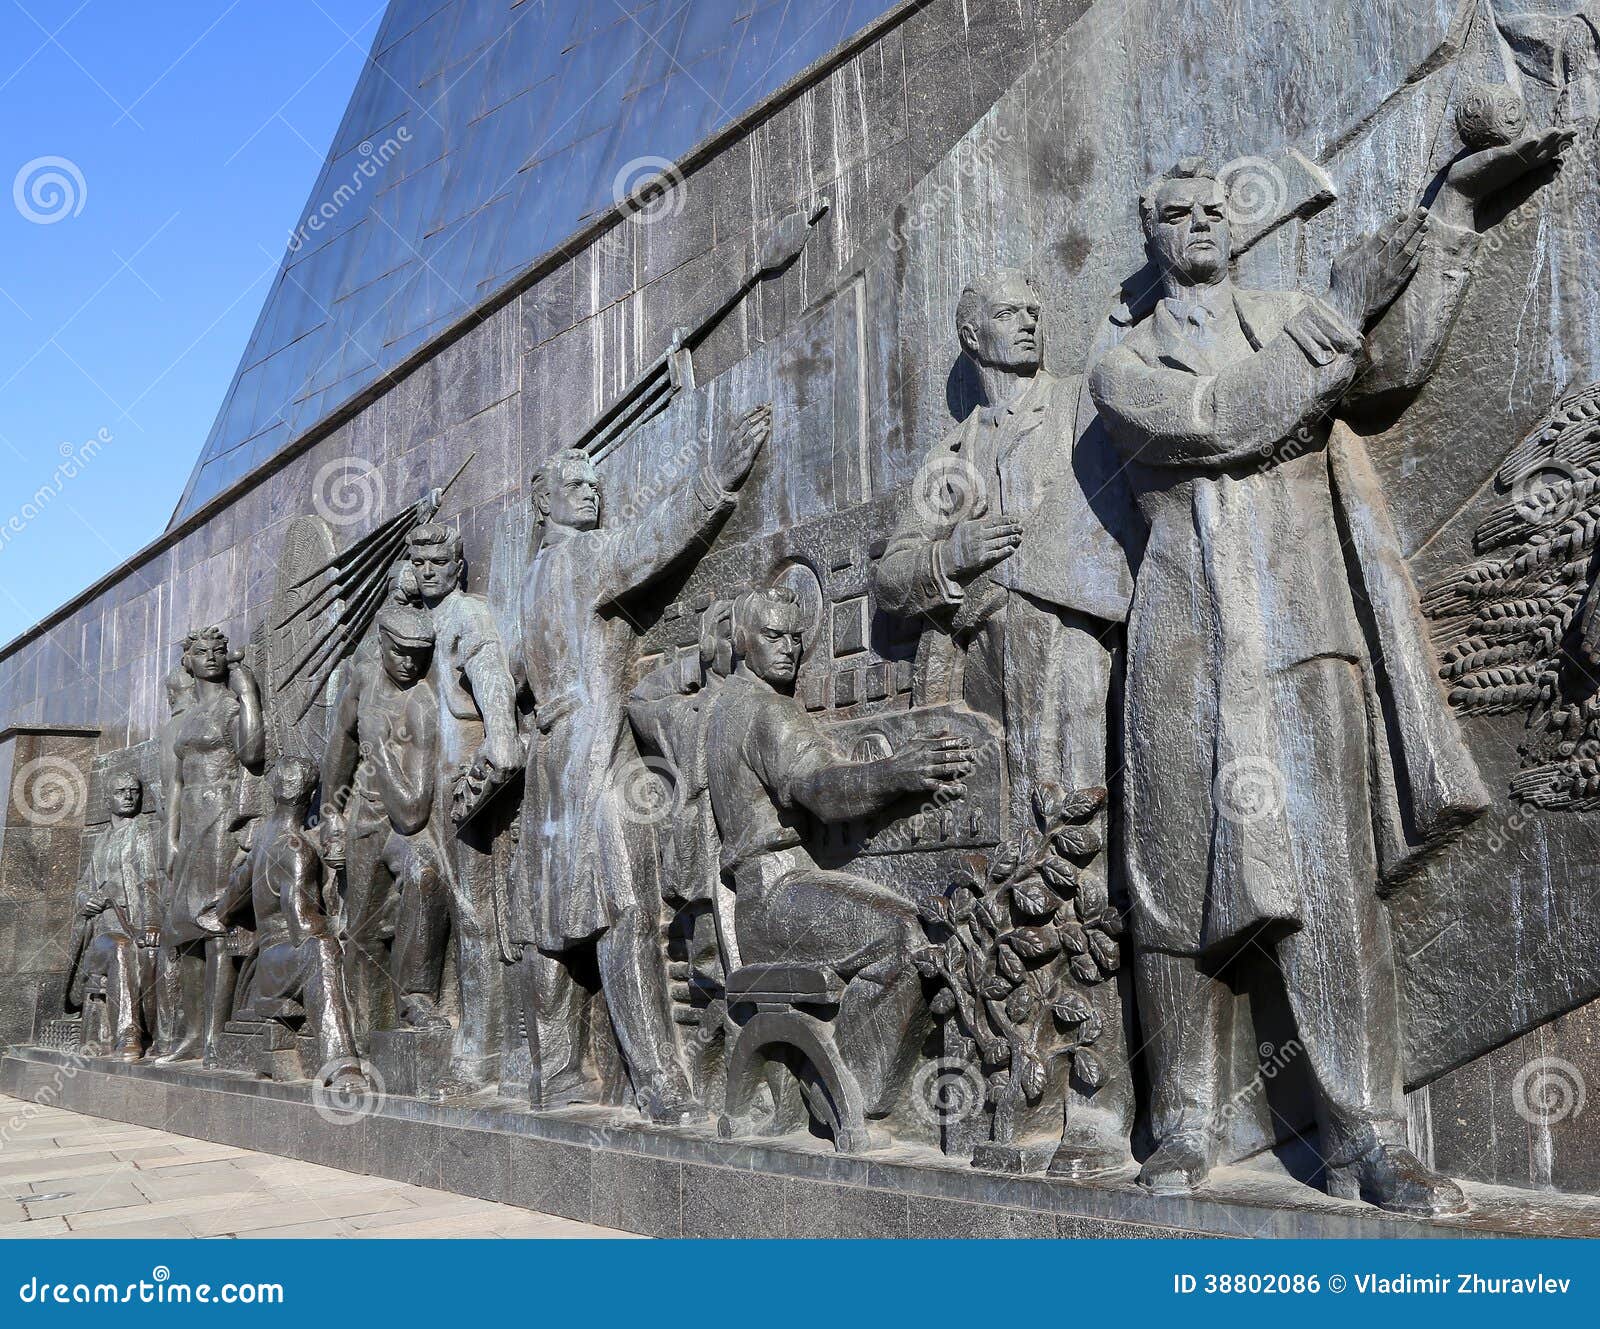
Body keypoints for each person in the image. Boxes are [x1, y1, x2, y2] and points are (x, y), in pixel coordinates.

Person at [1088, 132, 1569, 1214]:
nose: (1202, 221)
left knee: (1330, 891)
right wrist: (1338, 305)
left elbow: (1388, 371)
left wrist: (1448, 214)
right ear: (1150, 237)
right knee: (1174, 886)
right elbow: (1222, 421)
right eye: (1178, 210)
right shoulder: (1124, 367)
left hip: (1306, 630)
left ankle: (1366, 1136)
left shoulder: (1285, 320)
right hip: (1186, 650)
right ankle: (1181, 1126)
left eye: (1216, 206)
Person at [874, 266, 1137, 1173]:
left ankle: (1099, 1109)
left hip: (1065, 643)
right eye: (1009, 310)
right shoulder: (950, 458)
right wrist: (954, 549)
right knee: (1005, 873)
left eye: (1037, 306)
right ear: (971, 331)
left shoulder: (1075, 403)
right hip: (985, 660)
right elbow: (891, 579)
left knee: (1078, 852)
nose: (1030, 318)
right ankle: (1020, 1104)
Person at [513, 406, 768, 1122]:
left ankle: (557, 1071)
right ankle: (657, 1077)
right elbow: (651, 544)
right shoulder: (577, 560)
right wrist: (715, 479)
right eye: (574, 482)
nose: (590, 491)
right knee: (623, 909)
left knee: (555, 922)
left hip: (555, 767)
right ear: (543, 499)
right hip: (592, 762)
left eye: (596, 481)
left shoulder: (530, 582)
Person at [702, 587, 973, 1115]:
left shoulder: (724, 706)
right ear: (739, 639)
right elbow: (820, 789)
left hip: (765, 896)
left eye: (796, 638)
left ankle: (848, 1080)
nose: (788, 649)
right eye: (772, 636)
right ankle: (850, 1091)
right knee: (901, 934)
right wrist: (898, 771)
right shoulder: (766, 712)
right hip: (775, 896)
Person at [219, 757, 370, 1092]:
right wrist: (348, 921)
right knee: (322, 949)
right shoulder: (297, 848)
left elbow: (231, 898)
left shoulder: (261, 837)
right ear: (311, 793)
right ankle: (342, 1064)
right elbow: (305, 927)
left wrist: (218, 914)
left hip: (267, 961)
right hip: (281, 960)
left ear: (273, 789)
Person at [154, 626, 264, 1064]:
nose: (212, 657)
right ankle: (193, 1034)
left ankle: (217, 1036)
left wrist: (249, 694)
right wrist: (170, 837)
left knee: (216, 922)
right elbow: (174, 783)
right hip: (192, 820)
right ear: (189, 661)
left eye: (219, 651)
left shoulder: (232, 705)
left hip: (223, 816)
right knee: (185, 930)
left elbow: (253, 753)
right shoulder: (180, 720)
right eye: (202, 652)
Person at [67, 774, 162, 1061]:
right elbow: (83, 887)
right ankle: (128, 1034)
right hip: (102, 929)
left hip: (133, 924)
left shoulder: (141, 831)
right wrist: (87, 900)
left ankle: (163, 1037)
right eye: (121, 791)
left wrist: (153, 923)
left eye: (134, 791)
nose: (129, 797)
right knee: (120, 947)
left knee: (140, 949)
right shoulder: (102, 841)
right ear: (107, 798)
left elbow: (150, 881)